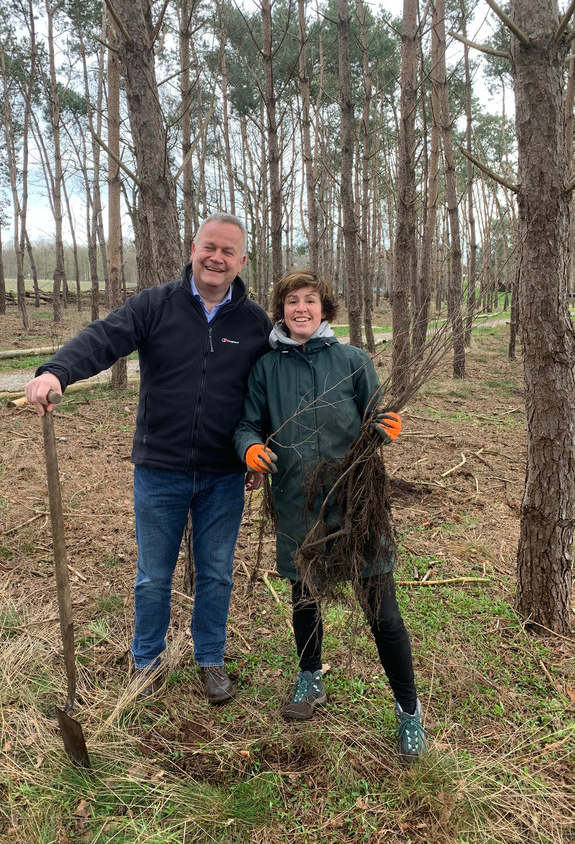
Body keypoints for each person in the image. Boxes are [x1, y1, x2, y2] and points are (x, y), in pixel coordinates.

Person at [25, 214, 271, 704]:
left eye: (227, 251)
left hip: (223, 474)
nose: (216, 258)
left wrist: (256, 450)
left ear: (242, 262)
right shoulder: (156, 306)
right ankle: (146, 661)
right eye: (209, 247)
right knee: (153, 574)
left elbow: (267, 393)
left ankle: (210, 658)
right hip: (159, 469)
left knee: (218, 571)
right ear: (192, 249)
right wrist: (57, 372)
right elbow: (104, 337)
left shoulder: (255, 323)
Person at [233, 269, 426, 761]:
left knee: (383, 614)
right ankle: (309, 678)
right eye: (292, 301)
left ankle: (409, 713)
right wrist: (251, 447)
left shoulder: (354, 361)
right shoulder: (266, 369)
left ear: (325, 309)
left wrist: (388, 427)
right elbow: (248, 424)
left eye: (310, 300)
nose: (301, 308)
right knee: (305, 598)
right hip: (299, 504)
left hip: (358, 505)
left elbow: (375, 418)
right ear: (281, 310)